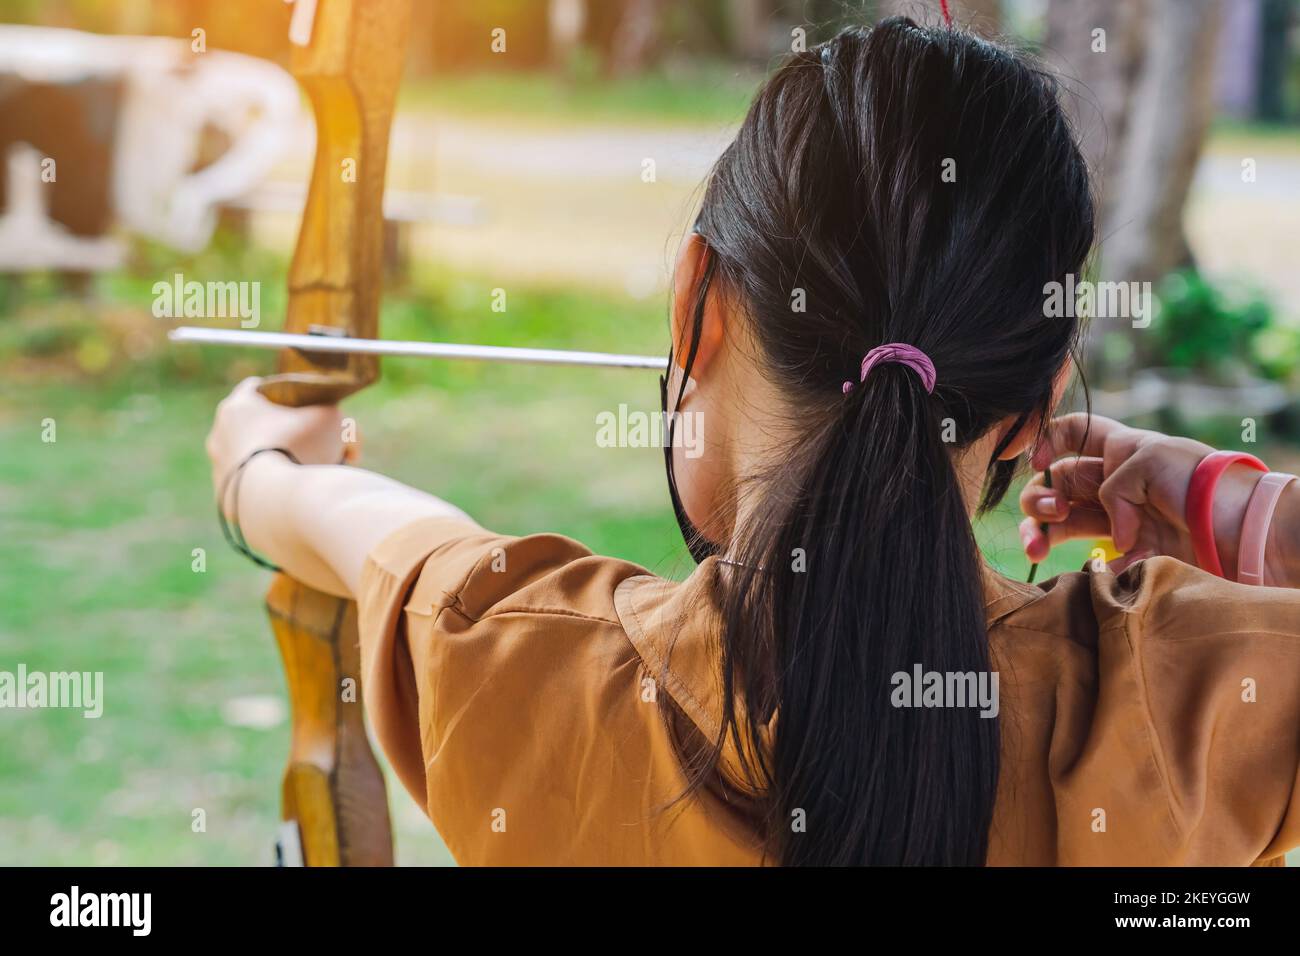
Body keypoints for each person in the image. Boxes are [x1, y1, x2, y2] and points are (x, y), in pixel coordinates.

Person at [203, 18, 1300, 865]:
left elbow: (381, 535)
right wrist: (1239, 514)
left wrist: (263, 470)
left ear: (696, 307)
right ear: (1032, 403)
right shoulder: (1194, 694)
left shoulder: (532, 662)